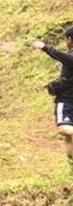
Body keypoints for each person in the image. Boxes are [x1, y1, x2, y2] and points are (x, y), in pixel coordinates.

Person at [33, 29, 73, 163]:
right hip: (66, 99)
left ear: (69, 39)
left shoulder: (70, 56)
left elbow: (63, 57)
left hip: (66, 101)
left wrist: (45, 47)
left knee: (65, 130)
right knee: (67, 137)